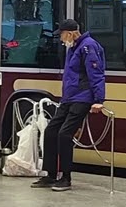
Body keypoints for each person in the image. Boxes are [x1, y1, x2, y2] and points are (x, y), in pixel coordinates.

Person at [33, 19, 106, 191]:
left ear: (71, 33)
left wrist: (98, 100)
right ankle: (50, 175)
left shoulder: (88, 46)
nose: (61, 39)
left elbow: (96, 74)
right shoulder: (73, 48)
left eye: (62, 35)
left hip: (83, 98)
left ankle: (66, 177)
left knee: (65, 134)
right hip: (69, 98)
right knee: (51, 131)